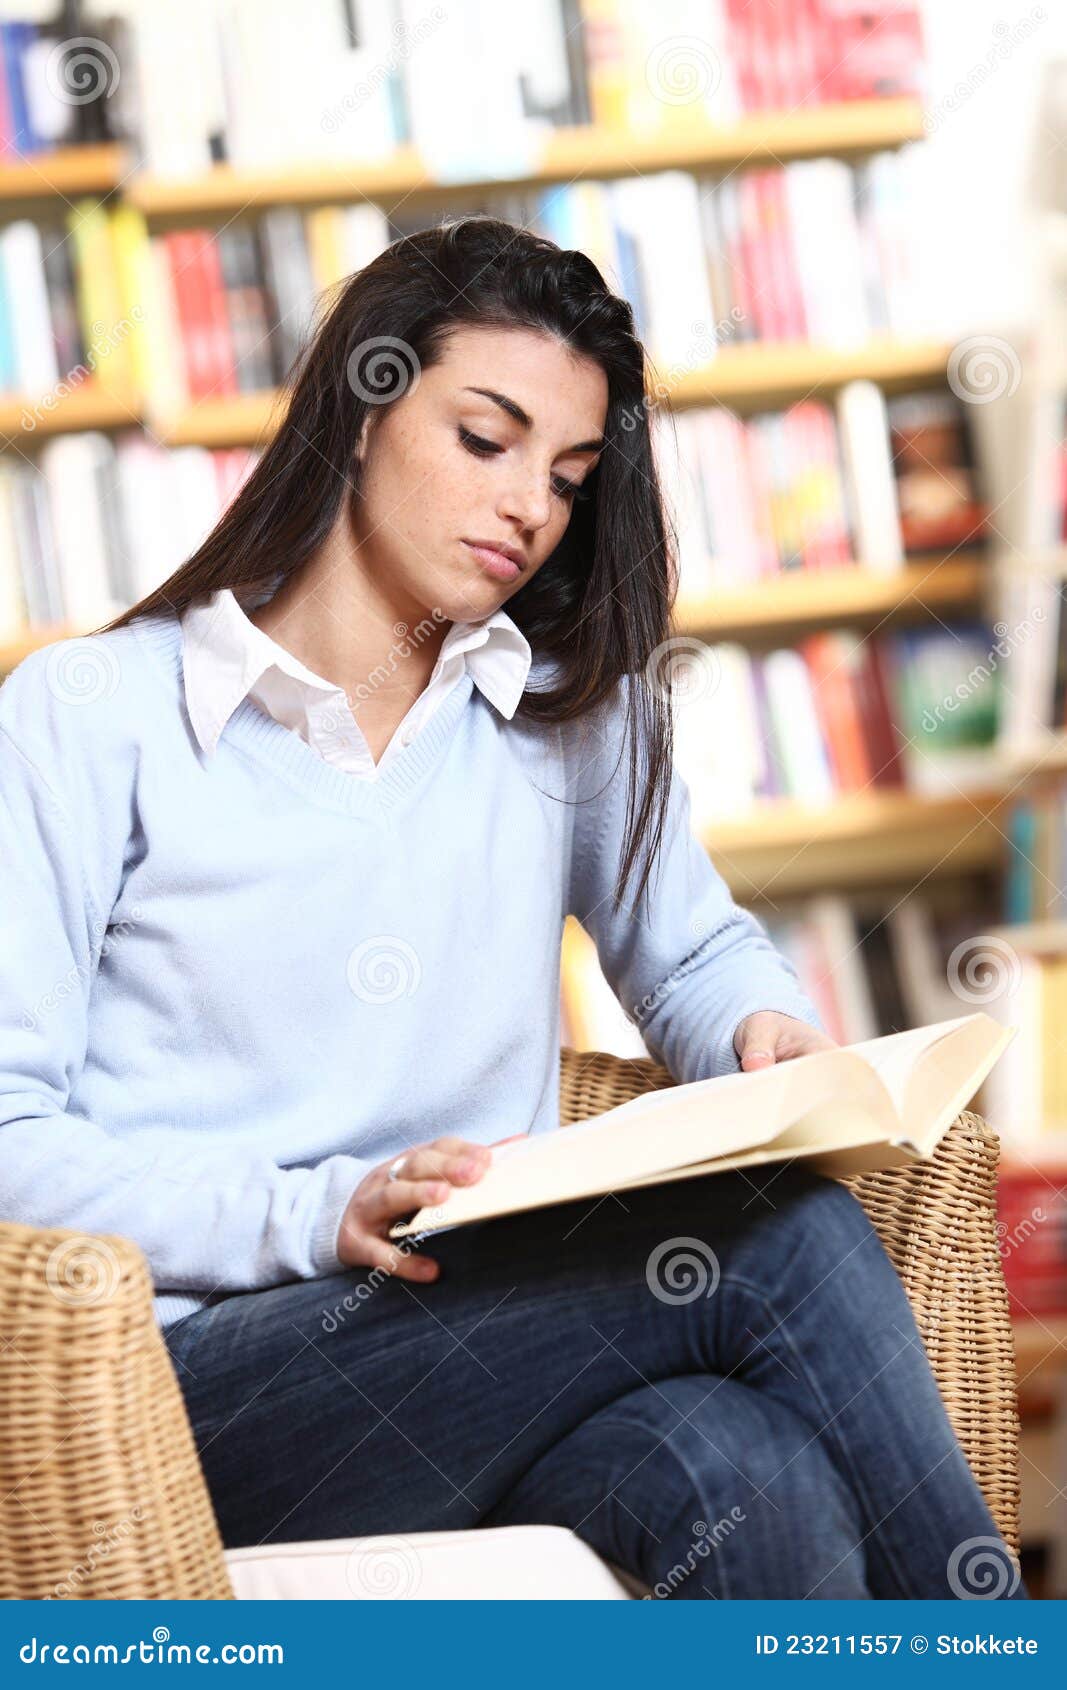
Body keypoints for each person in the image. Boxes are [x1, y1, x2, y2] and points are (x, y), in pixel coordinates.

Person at [0, 218, 1026, 1600]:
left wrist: (758, 1029)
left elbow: (693, 951)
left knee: (741, 1467)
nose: (530, 507)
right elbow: (8, 1138)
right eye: (486, 439)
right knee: (779, 1236)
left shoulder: (565, 714)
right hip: (193, 1391)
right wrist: (314, 1213)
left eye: (568, 475)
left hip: (488, 1346)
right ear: (362, 409)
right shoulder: (90, 716)